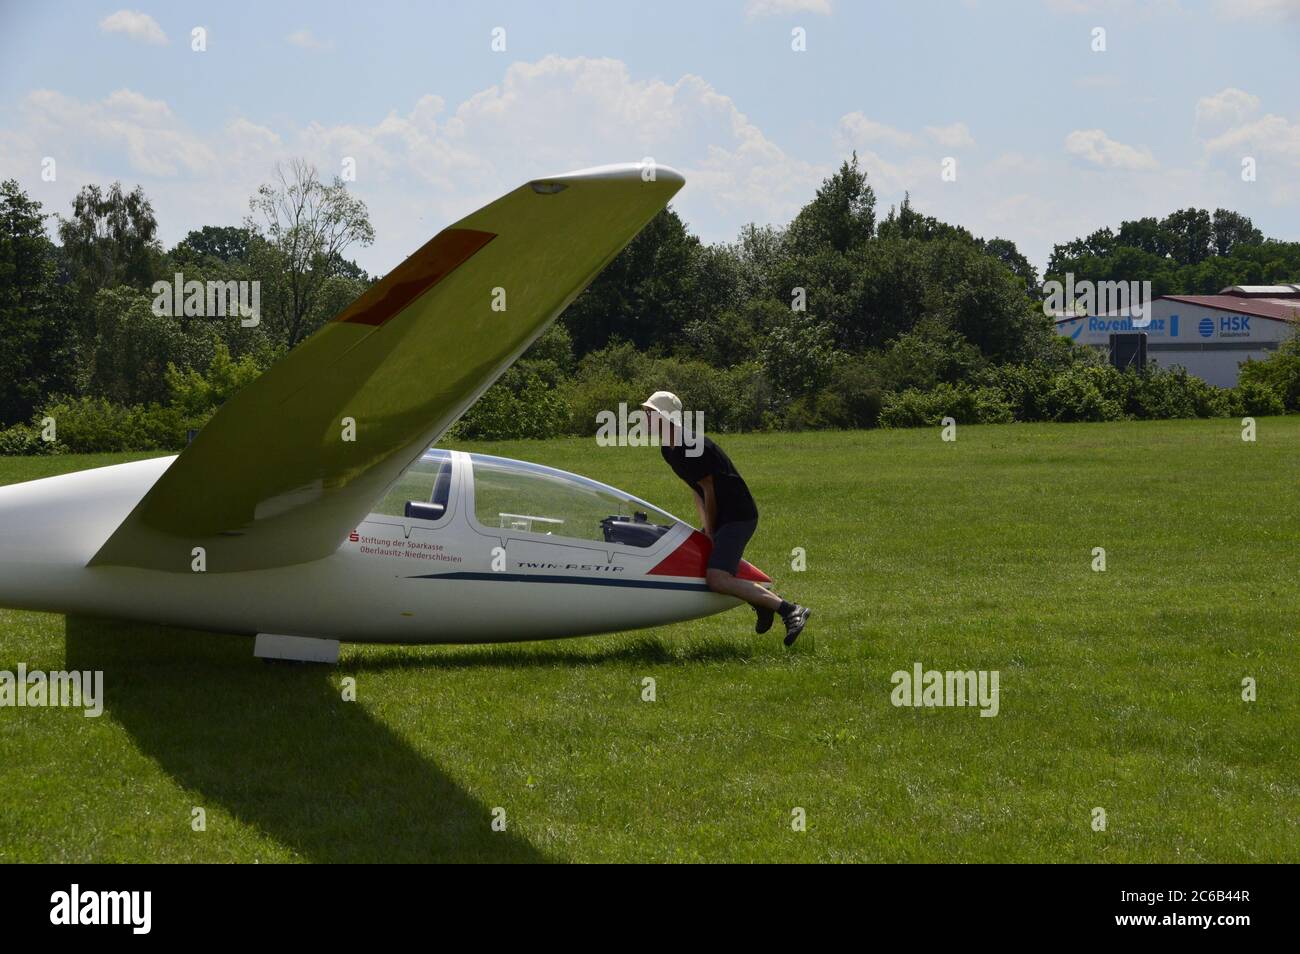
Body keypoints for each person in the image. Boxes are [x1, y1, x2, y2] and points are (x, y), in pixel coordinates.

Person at [641, 390, 811, 646]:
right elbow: (696, 489)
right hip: (720, 516)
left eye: (650, 414)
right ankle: (761, 603)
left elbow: (709, 489)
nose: (645, 419)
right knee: (704, 567)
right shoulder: (668, 448)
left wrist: (710, 529)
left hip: (738, 516)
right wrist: (706, 529)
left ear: (666, 417)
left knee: (717, 578)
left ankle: (790, 610)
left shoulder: (690, 445)